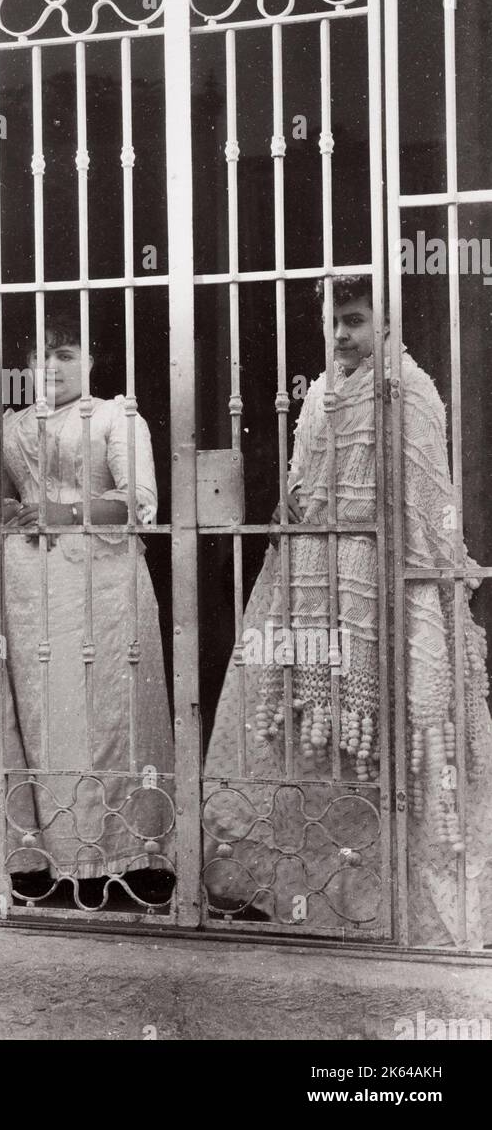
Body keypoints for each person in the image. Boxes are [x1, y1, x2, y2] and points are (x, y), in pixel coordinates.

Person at [204, 278, 492, 946]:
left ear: (383, 322)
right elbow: (306, 480)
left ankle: (392, 910)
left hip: (382, 588)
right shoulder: (319, 391)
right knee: (307, 746)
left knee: (391, 754)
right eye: (333, 322)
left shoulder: (409, 390)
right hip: (311, 585)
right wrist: (292, 508)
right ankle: (324, 902)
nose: (340, 335)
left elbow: (424, 501)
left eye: (355, 321)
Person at [0, 309, 174, 906]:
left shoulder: (114, 416)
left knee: (112, 711)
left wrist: (66, 512)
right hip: (33, 590)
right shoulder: (11, 427)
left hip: (104, 583)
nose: (52, 366)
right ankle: (59, 854)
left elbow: (139, 504)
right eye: (41, 354)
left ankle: (133, 856)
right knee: (52, 715)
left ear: (92, 362)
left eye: (66, 353)